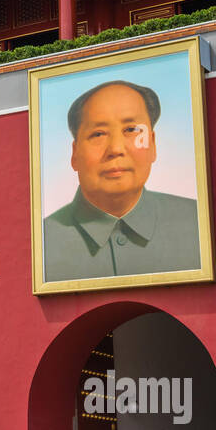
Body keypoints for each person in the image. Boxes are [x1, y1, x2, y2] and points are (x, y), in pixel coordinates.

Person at [42, 79, 200, 282]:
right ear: (74, 154)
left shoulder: (196, 222)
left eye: (131, 130)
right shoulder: (43, 242)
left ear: (152, 144)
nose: (116, 149)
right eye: (98, 134)